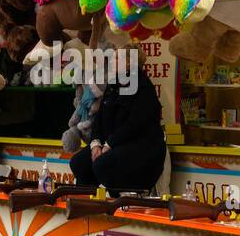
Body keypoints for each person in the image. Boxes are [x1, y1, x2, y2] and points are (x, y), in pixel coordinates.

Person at [68, 59, 166, 193]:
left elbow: (135, 124)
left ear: (128, 62)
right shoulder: (113, 83)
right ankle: (87, 204)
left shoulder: (142, 86)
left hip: (141, 147)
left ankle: (117, 203)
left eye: (116, 59)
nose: (112, 62)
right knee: (79, 162)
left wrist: (109, 144)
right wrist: (95, 144)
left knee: (103, 164)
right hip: (114, 144)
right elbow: (99, 119)